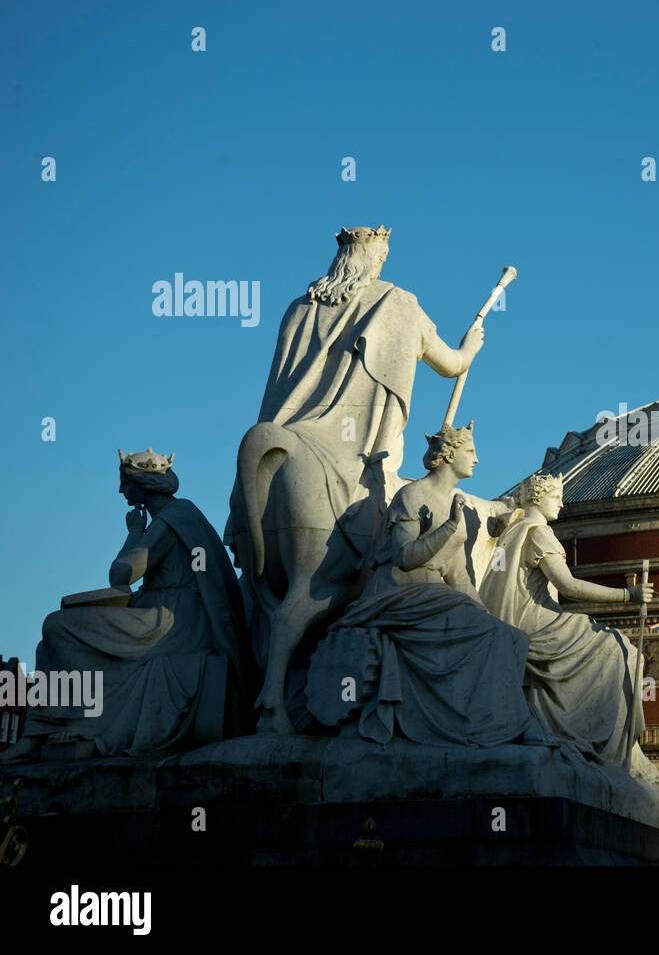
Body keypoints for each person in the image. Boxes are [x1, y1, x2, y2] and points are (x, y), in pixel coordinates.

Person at [225, 226, 488, 733]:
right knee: (335, 577)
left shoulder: (297, 308)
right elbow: (451, 366)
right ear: (376, 259)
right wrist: (469, 348)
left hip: (278, 445)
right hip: (356, 456)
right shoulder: (398, 301)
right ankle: (274, 702)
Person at [307, 424, 547, 748]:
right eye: (470, 452)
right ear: (448, 454)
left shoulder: (456, 504)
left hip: (436, 595)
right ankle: (497, 727)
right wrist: (447, 528)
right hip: (399, 595)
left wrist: (483, 614)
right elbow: (404, 557)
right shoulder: (412, 495)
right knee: (491, 636)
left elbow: (459, 576)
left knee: (507, 636)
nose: (476, 459)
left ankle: (493, 724)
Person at [6, 449, 247, 760]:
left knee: (57, 627)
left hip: (171, 624)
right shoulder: (180, 516)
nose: (121, 490)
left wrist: (134, 533)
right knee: (47, 645)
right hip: (162, 614)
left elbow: (121, 574)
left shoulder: (172, 519)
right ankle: (41, 733)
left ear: (142, 483)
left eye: (125, 483)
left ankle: (75, 726)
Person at [478, 474, 659, 784]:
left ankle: (582, 734)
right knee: (620, 651)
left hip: (519, 622)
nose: (562, 504)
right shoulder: (540, 533)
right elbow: (568, 586)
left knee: (615, 647)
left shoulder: (515, 530)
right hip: (536, 623)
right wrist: (628, 596)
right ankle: (602, 746)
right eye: (556, 497)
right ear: (538, 500)